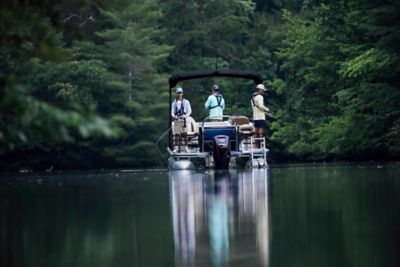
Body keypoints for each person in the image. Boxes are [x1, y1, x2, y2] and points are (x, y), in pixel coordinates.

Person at [171, 87, 192, 152]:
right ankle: (176, 148)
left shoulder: (186, 102)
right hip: (177, 120)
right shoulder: (174, 102)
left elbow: (189, 111)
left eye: (180, 93)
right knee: (176, 134)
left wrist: (185, 116)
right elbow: (172, 112)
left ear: (182, 93)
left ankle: (186, 147)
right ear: (176, 94)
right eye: (178, 93)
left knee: (185, 134)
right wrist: (174, 116)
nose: (179, 94)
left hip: (184, 120)